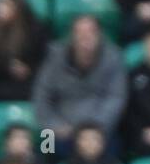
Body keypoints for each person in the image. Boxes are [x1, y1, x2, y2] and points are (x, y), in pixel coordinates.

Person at [31, 15, 126, 150]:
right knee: (46, 146)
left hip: (99, 129)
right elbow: (42, 95)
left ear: (100, 35)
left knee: (113, 146)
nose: (85, 37)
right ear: (72, 36)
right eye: (80, 33)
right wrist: (54, 125)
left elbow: (116, 97)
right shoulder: (54, 56)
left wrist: (94, 129)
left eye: (90, 32)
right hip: (61, 127)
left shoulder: (113, 57)